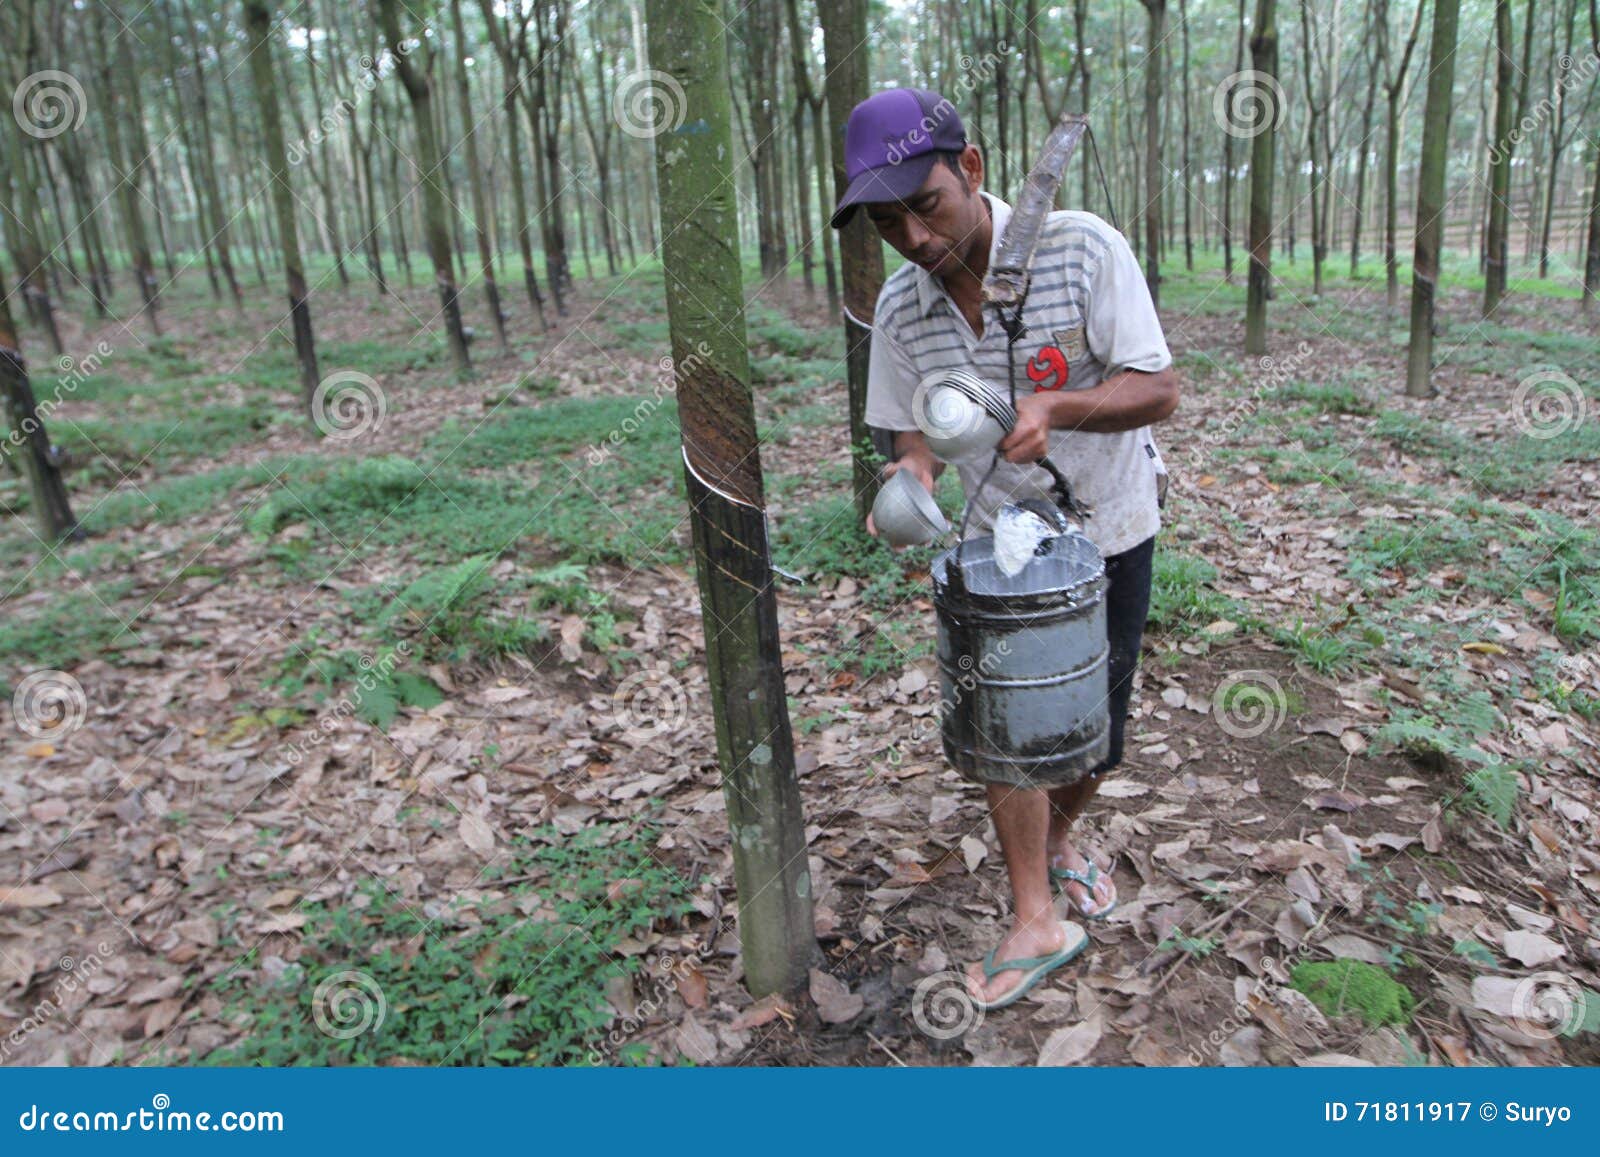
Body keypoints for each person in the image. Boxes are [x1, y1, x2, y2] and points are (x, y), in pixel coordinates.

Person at [832, 88, 1179, 1011]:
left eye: (925, 205)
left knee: (1092, 734)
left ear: (972, 169)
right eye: (884, 221)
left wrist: (1056, 409)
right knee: (1005, 732)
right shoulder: (902, 311)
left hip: (1107, 520)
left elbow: (1160, 387)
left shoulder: (1083, 249)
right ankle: (1034, 913)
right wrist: (910, 486)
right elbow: (909, 437)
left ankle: (1064, 838)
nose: (910, 235)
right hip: (995, 549)